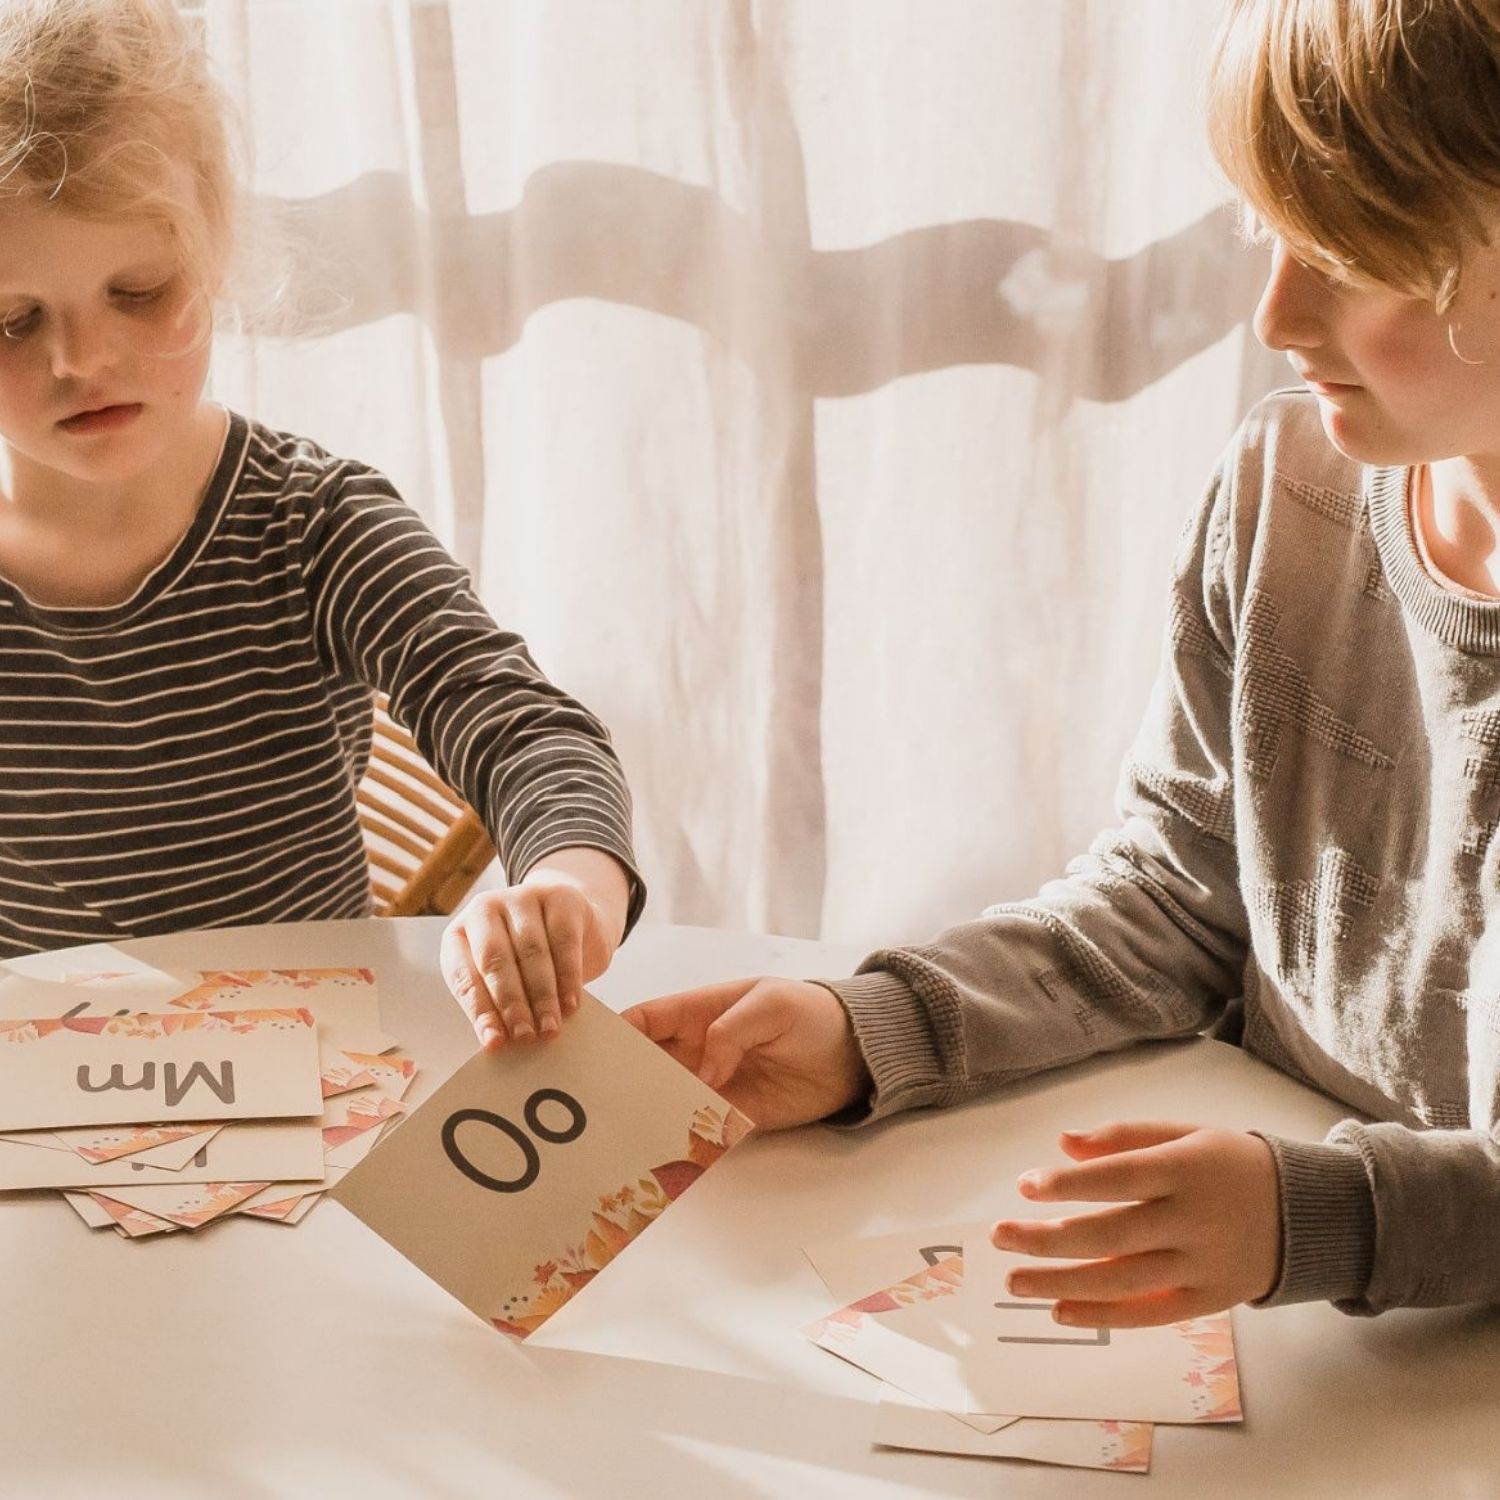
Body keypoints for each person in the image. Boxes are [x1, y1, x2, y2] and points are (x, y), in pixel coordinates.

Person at [626, 0, 1500, 1325]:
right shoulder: (1285, 492)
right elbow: (1172, 894)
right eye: (1272, 235)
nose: (1277, 314)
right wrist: (873, 1029)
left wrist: (1317, 1220)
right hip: (1306, 1336)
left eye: (1353, 256)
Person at [0, 0, 643, 1047]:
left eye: (139, 292)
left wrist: (569, 887)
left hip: (305, 1075)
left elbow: (530, 732)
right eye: (12, 320)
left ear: (211, 262)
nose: (81, 360)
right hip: (34, 1104)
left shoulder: (311, 524)